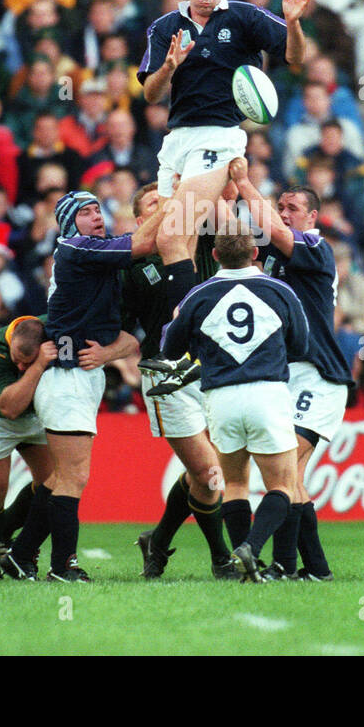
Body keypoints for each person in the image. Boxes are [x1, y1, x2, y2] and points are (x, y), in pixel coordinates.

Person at [0, 190, 162, 581]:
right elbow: (145, 242)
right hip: (66, 376)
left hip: (80, 375)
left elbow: (128, 338)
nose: (97, 216)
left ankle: (20, 555)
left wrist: (107, 354)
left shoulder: (93, 254)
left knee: (60, 478)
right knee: (73, 478)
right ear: (70, 222)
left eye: (99, 209)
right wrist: (175, 199)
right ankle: (62, 566)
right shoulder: (75, 247)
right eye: (87, 212)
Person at [137, 0, 308, 321]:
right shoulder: (165, 27)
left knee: (170, 236)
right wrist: (169, 66)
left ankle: (185, 334)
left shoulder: (245, 16)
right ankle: (191, 342)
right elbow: (151, 95)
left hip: (219, 137)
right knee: (169, 243)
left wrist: (292, 24)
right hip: (177, 140)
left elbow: (296, 56)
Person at [159, 225, 311, 582]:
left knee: (236, 484)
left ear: (214, 257)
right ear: (255, 254)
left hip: (220, 396)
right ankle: (252, 549)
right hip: (267, 393)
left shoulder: (199, 294)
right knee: (282, 485)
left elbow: (169, 348)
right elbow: (302, 344)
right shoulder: (279, 290)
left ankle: (246, 568)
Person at [228, 158, 350, 580]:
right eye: (279, 206)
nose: (283, 214)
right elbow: (234, 246)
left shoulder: (315, 248)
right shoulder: (273, 254)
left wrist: (244, 183)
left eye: (292, 207)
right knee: (290, 477)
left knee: (288, 468)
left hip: (319, 373)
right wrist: (223, 198)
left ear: (312, 217)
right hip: (283, 376)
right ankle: (310, 568)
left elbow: (276, 233)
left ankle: (261, 554)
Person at [125, 183, 237, 581]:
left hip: (210, 367)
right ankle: (223, 559)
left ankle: (156, 542)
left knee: (202, 474)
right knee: (209, 474)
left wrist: (218, 179)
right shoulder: (134, 267)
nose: (168, 207)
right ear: (142, 220)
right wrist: (109, 354)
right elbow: (123, 329)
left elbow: (232, 216)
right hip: (165, 372)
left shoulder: (207, 238)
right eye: (156, 204)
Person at [0, 314, 56, 580]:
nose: (18, 365)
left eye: (24, 362)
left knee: (52, 483)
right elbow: (10, 408)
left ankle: (7, 534)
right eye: (15, 359)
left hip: (37, 414)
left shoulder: (57, 329)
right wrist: (37, 366)